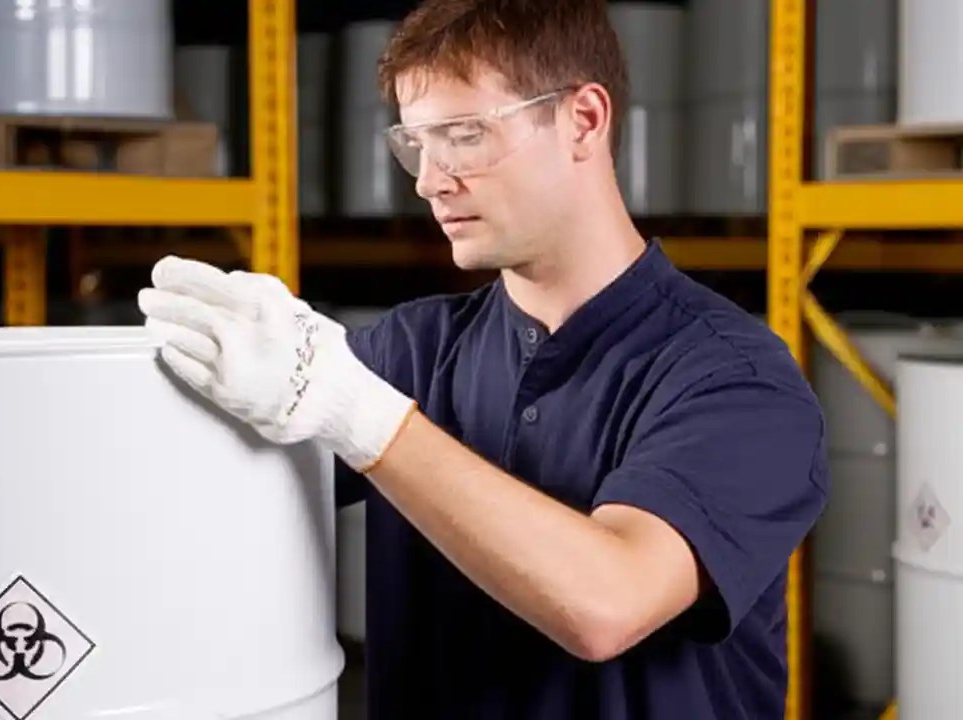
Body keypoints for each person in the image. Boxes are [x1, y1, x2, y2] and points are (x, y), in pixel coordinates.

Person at [136, 0, 830, 717]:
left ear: (583, 120)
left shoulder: (737, 380)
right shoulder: (412, 350)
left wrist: (355, 412)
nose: (428, 180)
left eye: (465, 136)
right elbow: (196, 489)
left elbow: (609, 602)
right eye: (415, 145)